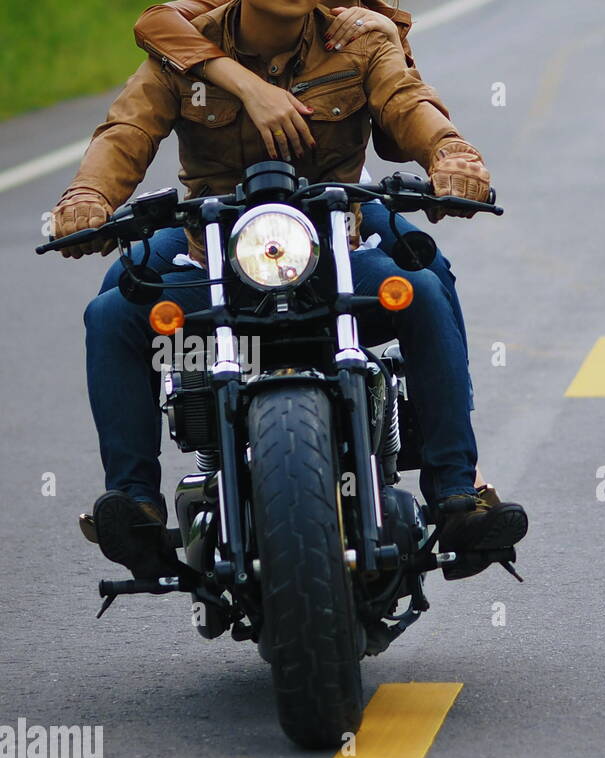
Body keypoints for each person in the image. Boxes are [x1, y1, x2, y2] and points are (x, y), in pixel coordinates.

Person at [53, 0, 526, 581]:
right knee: (111, 313)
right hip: (217, 260)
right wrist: (87, 197)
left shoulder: (360, 37)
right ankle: (136, 505)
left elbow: (408, 103)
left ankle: (456, 492)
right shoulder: (184, 49)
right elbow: (126, 130)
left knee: (424, 288)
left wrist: (452, 153)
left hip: (335, 251)